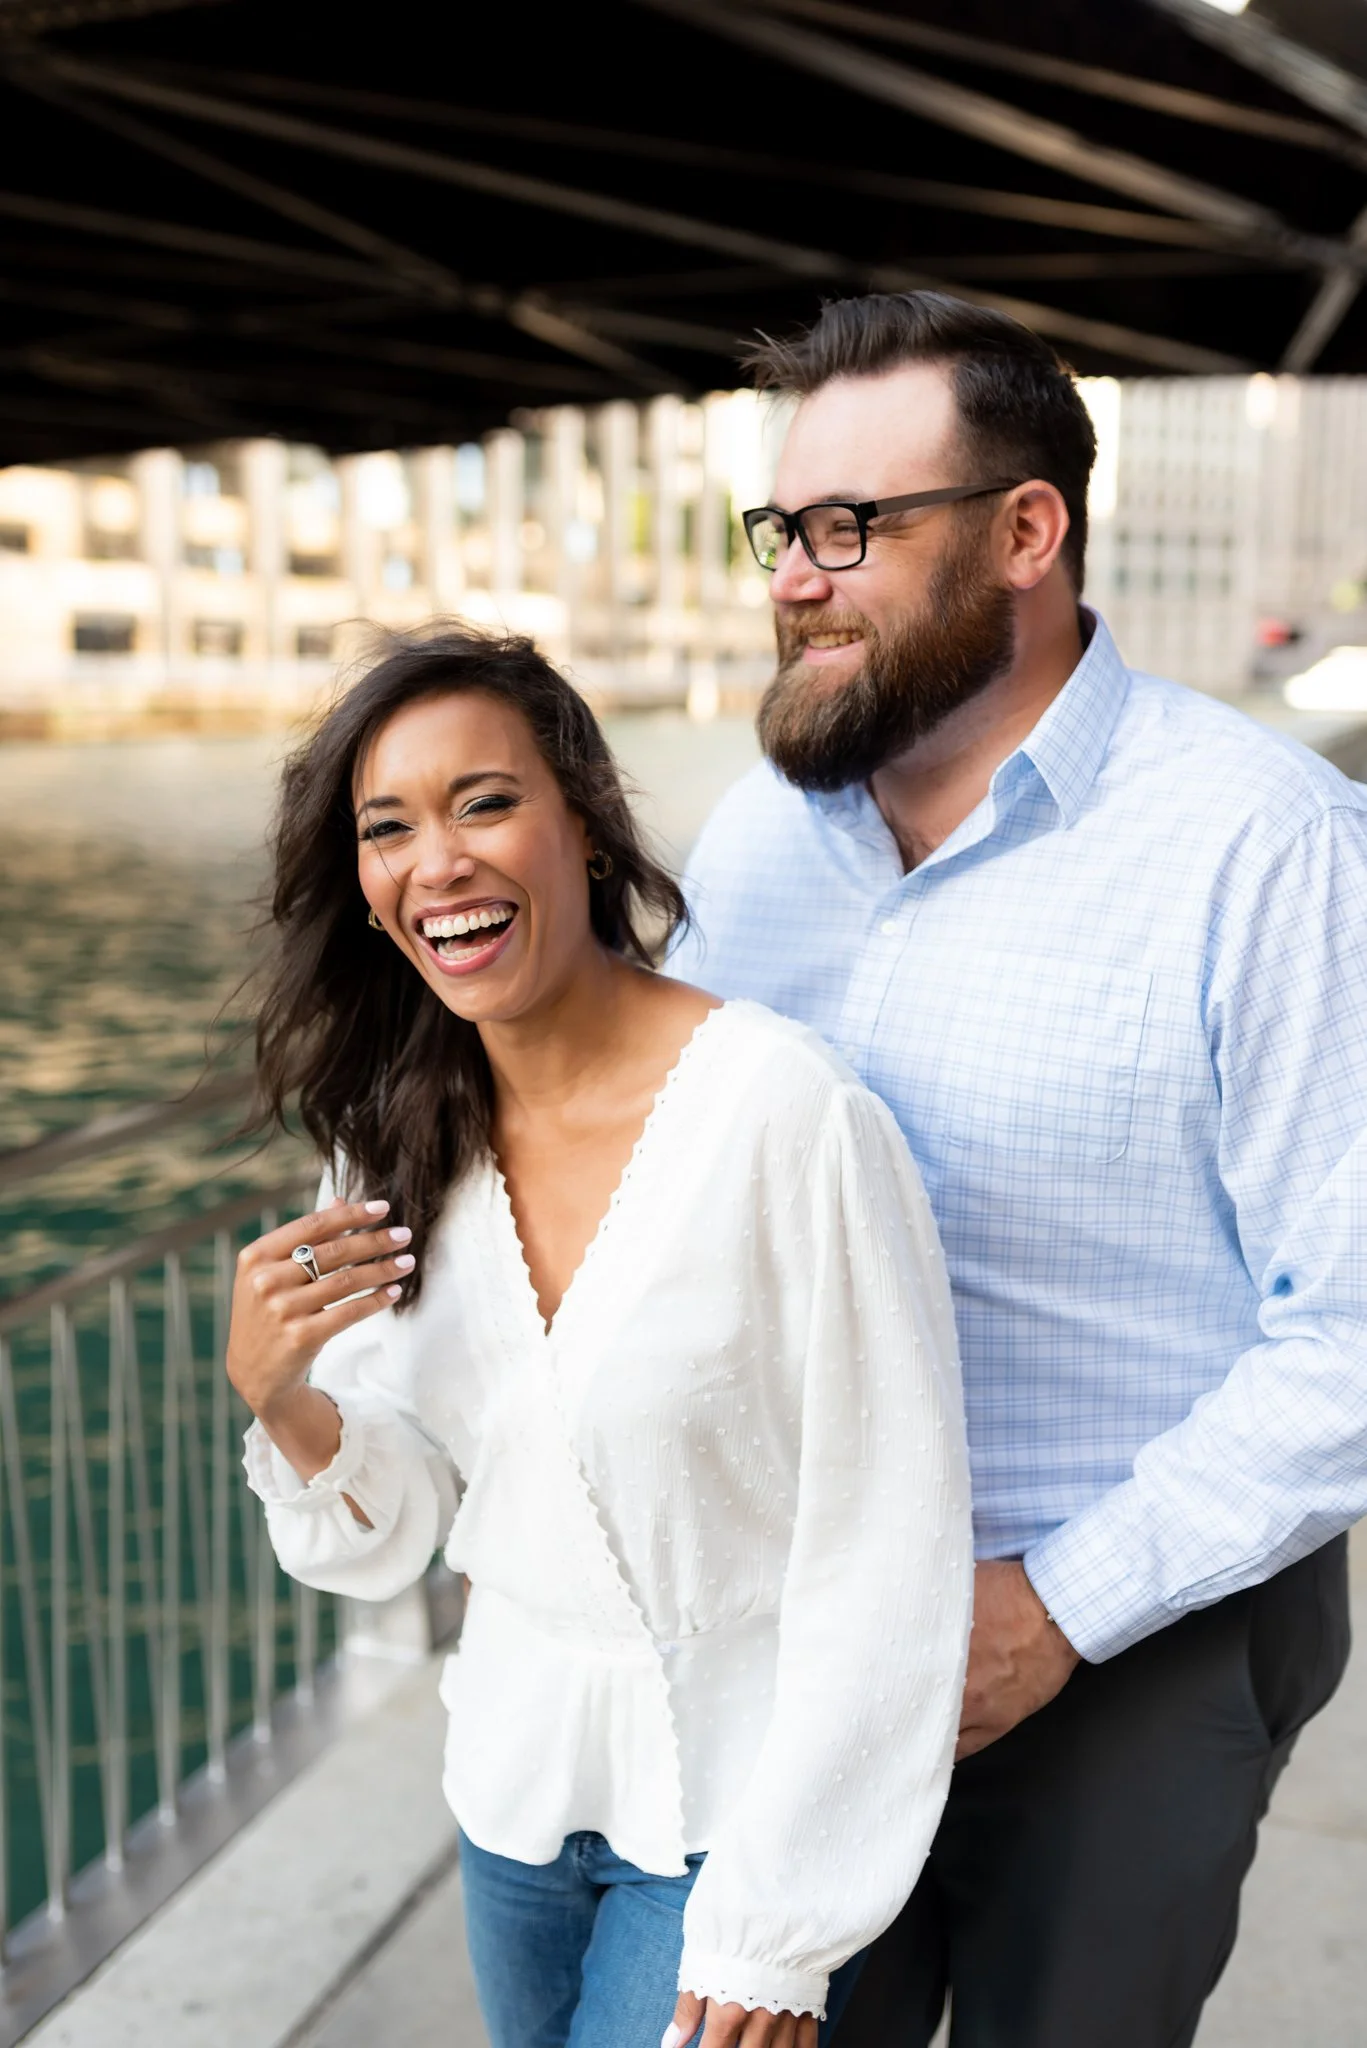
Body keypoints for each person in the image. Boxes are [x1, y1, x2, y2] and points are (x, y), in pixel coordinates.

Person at [670, 290, 1367, 2048]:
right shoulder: (755, 838)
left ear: (1024, 534)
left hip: (1138, 1621)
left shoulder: (1265, 845)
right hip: (809, 1623)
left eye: (848, 528)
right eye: (781, 529)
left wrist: (1054, 1607)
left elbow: (1351, 1326)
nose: (793, 577)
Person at [225, 628, 973, 2048]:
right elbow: (414, 1513)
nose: (434, 859)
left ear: (581, 815)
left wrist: (780, 1924)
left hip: (735, 1823)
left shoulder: (784, 1116)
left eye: (483, 802)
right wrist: (286, 1403)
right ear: (368, 894)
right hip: (511, 1800)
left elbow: (891, 1546)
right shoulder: (391, 1137)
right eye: (386, 828)